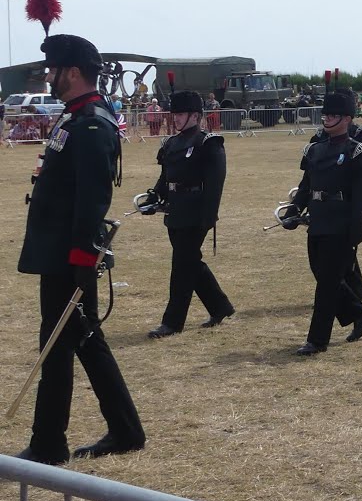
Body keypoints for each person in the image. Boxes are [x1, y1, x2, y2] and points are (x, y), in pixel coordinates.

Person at [14, 33, 145, 464]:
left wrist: (81, 257)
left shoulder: (90, 123)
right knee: (84, 338)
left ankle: (49, 442)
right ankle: (126, 430)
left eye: (53, 69)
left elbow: (92, 197)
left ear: (72, 72)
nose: (48, 76)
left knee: (57, 344)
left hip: (68, 253)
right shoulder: (74, 116)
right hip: (59, 248)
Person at [281, 89, 362, 355]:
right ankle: (359, 314)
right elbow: (306, 185)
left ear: (347, 119)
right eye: (325, 115)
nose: (327, 119)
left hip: (341, 222)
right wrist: (294, 209)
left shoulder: (358, 151)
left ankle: (317, 340)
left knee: (326, 284)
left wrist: (357, 228)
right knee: (323, 275)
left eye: (333, 115)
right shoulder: (315, 149)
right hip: (318, 219)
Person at [140, 90, 235, 338]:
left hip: (196, 212)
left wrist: (209, 216)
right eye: (175, 114)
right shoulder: (171, 143)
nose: (176, 118)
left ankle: (172, 322)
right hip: (175, 211)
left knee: (181, 266)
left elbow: (215, 184)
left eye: (181, 114)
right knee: (190, 262)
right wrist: (154, 196)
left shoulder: (208, 143)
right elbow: (166, 177)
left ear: (195, 115)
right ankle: (220, 306)